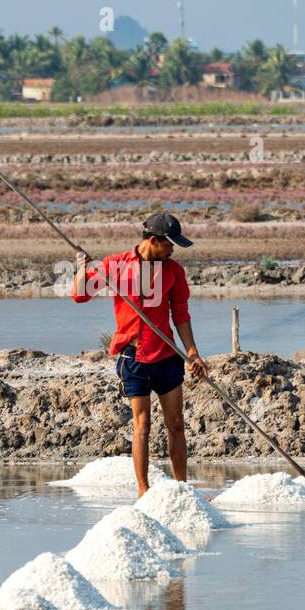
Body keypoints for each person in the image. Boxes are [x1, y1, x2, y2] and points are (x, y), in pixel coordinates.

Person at [72, 212, 208, 497]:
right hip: (133, 359)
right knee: (142, 426)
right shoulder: (115, 265)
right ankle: (143, 491)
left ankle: (182, 489)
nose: (172, 250)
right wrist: (82, 269)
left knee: (176, 424)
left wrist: (193, 353)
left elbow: (180, 314)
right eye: (169, 244)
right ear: (154, 240)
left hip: (167, 356)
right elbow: (80, 295)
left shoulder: (173, 271)